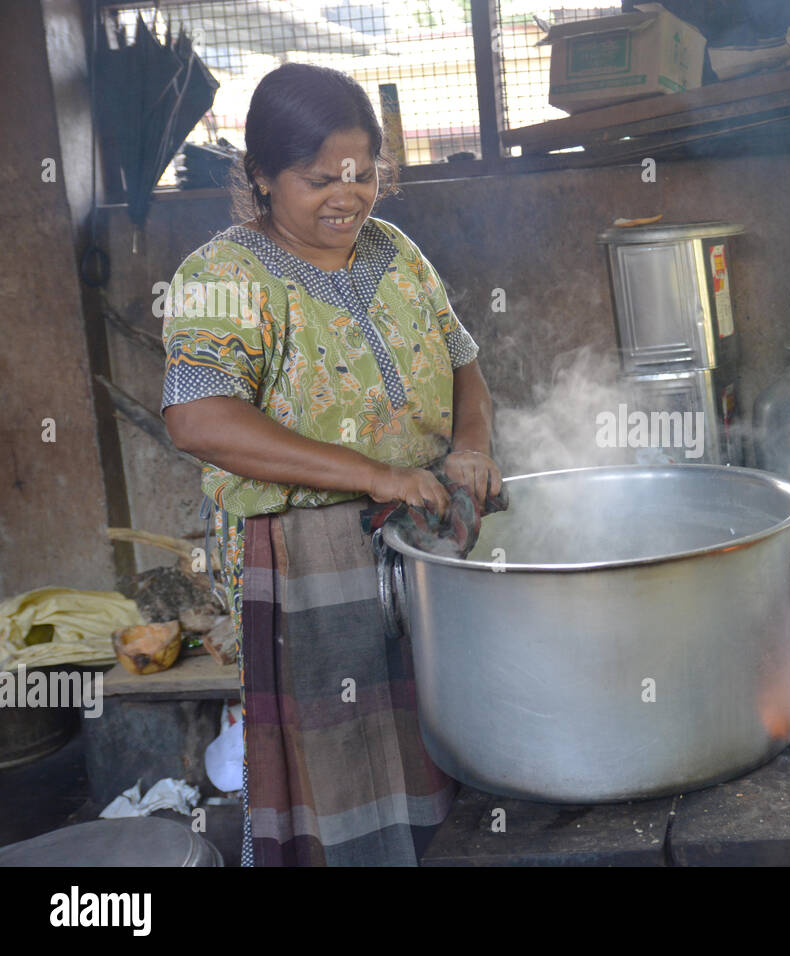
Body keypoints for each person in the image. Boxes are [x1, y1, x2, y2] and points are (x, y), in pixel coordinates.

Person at [161, 62, 502, 866]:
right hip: (305, 561)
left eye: (364, 175)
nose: (347, 197)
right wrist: (373, 474)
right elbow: (198, 418)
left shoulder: (397, 253)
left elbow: (463, 364)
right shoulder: (223, 276)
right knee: (341, 771)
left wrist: (473, 446)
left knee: (448, 742)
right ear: (260, 177)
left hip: (424, 540)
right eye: (320, 180)